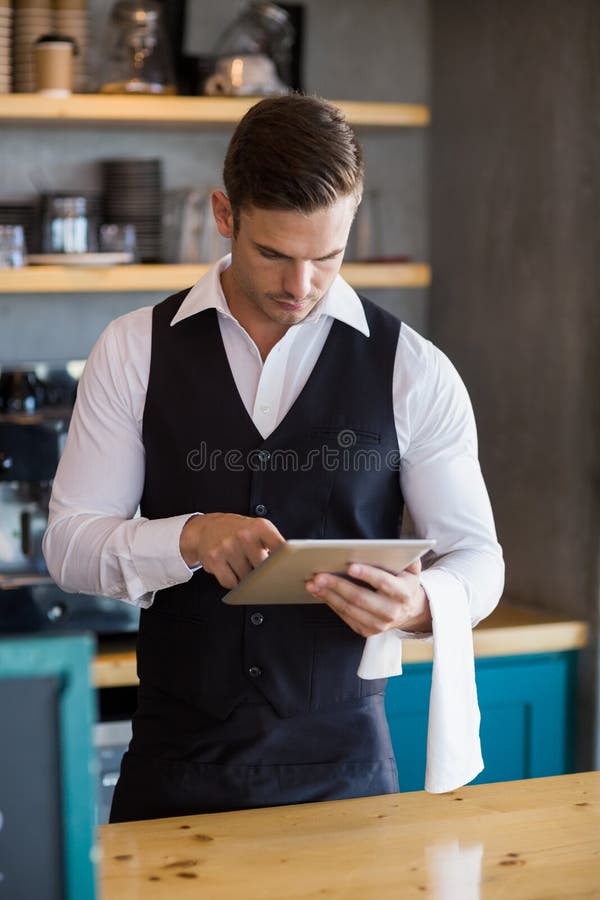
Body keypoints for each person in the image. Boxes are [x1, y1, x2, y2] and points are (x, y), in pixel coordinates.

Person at [43, 94, 504, 822]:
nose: (301, 286)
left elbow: (479, 558)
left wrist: (421, 606)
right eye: (274, 254)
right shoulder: (134, 349)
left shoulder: (413, 369)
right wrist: (187, 536)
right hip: (173, 770)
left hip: (347, 777)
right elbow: (68, 545)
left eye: (327, 257)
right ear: (226, 216)